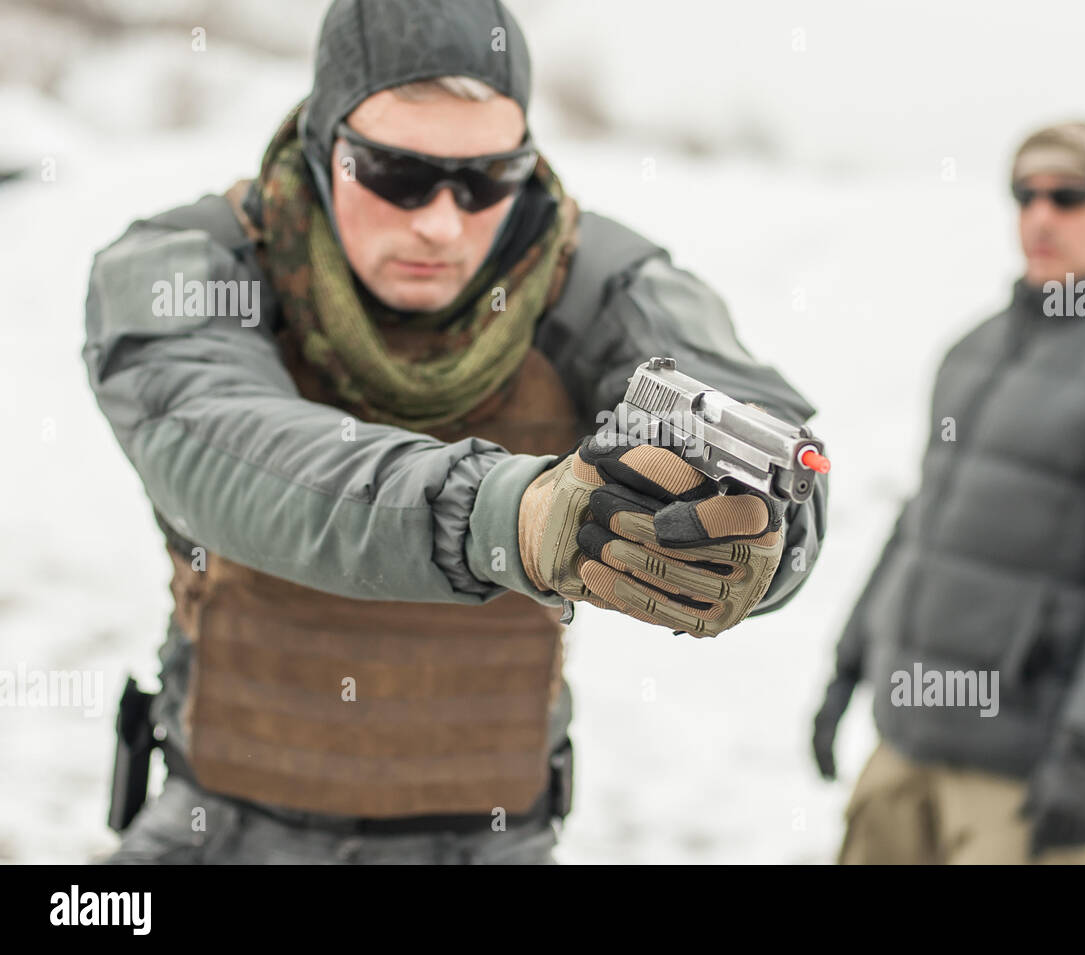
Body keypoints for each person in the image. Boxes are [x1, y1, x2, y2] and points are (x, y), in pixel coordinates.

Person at [83, 0, 827, 864]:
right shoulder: (191, 263)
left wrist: (760, 535)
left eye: (485, 180)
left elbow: (753, 421)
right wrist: (513, 517)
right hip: (226, 822)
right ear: (324, 146)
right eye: (396, 174)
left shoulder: (597, 282)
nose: (441, 221)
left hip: (485, 840)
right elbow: (224, 446)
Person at [812, 122, 1085, 865]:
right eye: (1025, 194)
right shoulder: (973, 352)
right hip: (905, 750)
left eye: (1068, 195)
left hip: (1024, 778)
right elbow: (922, 526)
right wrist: (849, 665)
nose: (1042, 216)